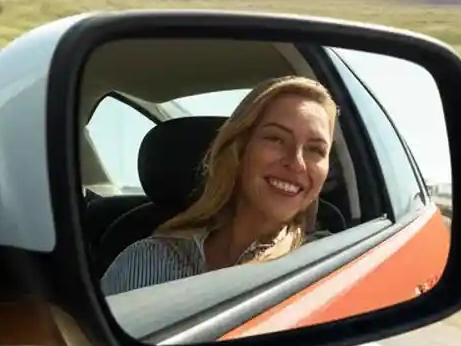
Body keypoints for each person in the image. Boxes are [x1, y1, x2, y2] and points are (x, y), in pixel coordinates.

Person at [100, 75, 338, 296]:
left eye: (315, 149)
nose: (296, 163)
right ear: (239, 149)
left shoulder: (330, 266)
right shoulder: (145, 262)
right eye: (275, 138)